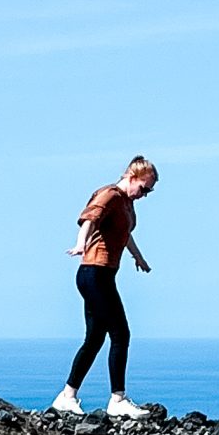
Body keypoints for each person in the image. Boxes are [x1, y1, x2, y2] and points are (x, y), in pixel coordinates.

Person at [50, 156, 157, 418]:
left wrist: (138, 257)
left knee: (95, 338)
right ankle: (117, 399)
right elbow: (90, 219)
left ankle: (67, 396)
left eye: (149, 191)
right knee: (121, 333)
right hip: (93, 273)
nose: (145, 194)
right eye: (144, 188)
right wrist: (80, 244)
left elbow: (124, 234)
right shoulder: (110, 195)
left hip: (103, 275)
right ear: (132, 177)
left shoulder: (127, 204)